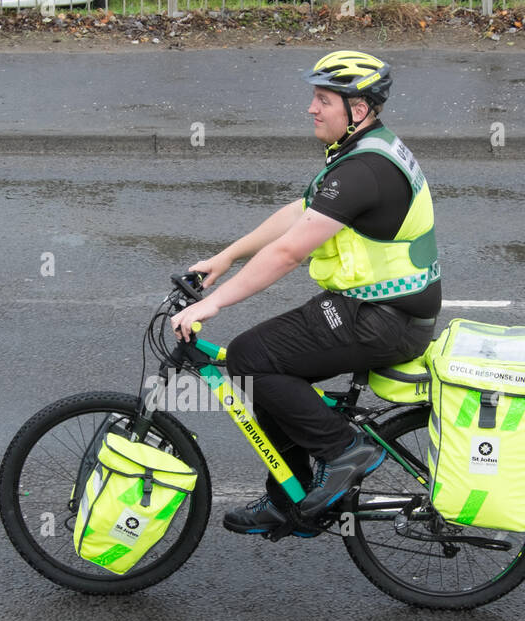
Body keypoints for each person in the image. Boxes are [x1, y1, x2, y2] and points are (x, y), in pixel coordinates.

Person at [171, 50, 442, 534]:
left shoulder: (365, 170)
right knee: (265, 368)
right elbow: (301, 211)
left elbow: (289, 252)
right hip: (375, 307)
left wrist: (212, 304)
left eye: (322, 100)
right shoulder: (363, 151)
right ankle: (290, 498)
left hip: (383, 318)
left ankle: (345, 451)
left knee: (252, 356)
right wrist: (226, 256)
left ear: (357, 110)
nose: (311, 109)